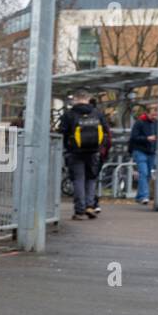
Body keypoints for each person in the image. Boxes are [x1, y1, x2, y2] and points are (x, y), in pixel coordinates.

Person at [59, 91, 111, 219]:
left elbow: (62, 132)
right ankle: (90, 206)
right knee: (91, 179)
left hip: (74, 151)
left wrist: (67, 146)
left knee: (78, 180)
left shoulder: (69, 114)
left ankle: (79, 210)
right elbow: (106, 130)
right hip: (93, 151)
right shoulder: (97, 113)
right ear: (88, 99)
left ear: (75, 100)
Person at [128, 108, 158, 205]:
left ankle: (139, 196)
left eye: (156, 115)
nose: (154, 117)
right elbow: (134, 137)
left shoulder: (157, 123)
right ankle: (144, 196)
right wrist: (147, 138)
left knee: (148, 175)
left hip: (151, 152)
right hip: (140, 151)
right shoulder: (140, 123)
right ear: (148, 113)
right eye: (153, 115)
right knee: (143, 173)